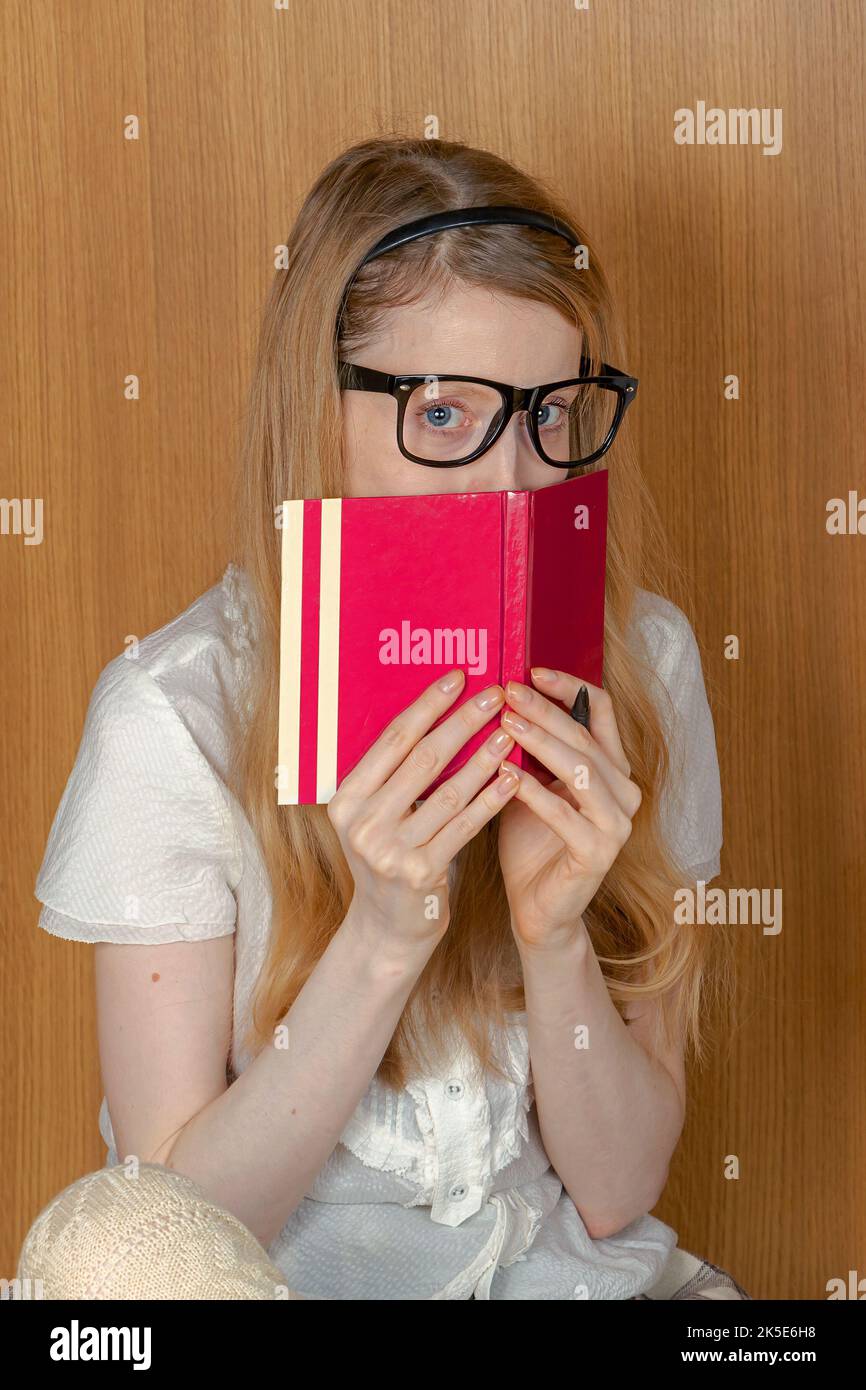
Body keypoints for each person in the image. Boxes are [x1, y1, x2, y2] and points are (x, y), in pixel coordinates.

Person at [21, 135, 750, 1301]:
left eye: (551, 415)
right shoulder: (174, 717)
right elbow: (165, 1255)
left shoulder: (640, 665)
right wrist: (380, 939)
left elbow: (616, 1192)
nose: (511, 485)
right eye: (446, 414)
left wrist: (553, 938)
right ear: (321, 412)